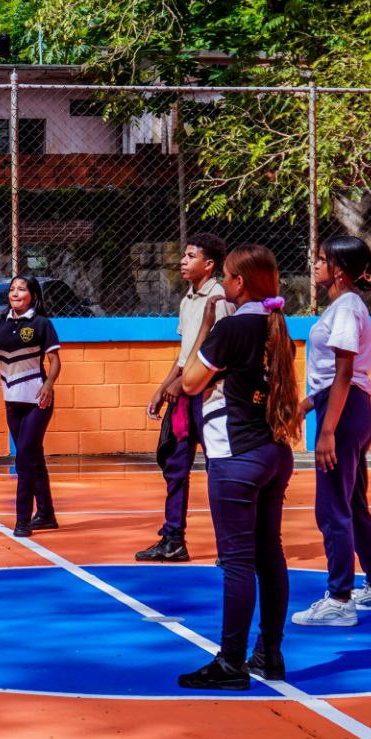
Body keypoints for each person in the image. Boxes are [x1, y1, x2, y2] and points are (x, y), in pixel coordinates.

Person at [176, 244, 300, 689]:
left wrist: (208, 326)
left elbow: (191, 383)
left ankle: (230, 663)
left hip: (236, 454)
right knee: (270, 554)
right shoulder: (275, 326)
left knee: (238, 561)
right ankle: (269, 652)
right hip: (273, 451)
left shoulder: (233, 328)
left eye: (227, 276)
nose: (223, 284)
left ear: (240, 283)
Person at [292, 236, 371, 627]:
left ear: (338, 269)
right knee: (352, 505)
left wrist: (327, 431)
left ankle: (339, 599)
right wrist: (305, 407)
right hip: (345, 408)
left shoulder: (346, 309)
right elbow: (331, 378)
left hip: (345, 411)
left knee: (332, 509)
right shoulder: (343, 307)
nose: (315, 264)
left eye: (321, 259)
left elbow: (343, 373)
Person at [138, 233, 231, 562]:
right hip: (186, 393)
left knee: (219, 468)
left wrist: (190, 384)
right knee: (175, 466)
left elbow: (218, 352)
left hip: (209, 396)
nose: (182, 260)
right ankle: (173, 538)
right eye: (184, 255)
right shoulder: (188, 299)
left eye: (190, 256)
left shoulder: (219, 298)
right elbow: (185, 355)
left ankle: (229, 545)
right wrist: (164, 388)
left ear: (208, 264)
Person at [0, 276, 61, 538]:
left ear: (32, 295)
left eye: (21, 289)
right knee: (32, 457)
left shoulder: (41, 324)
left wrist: (49, 385)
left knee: (24, 459)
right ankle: (46, 514)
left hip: (37, 401)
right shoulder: (0, 323)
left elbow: (54, 361)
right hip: (12, 401)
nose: (15, 293)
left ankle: (23, 521)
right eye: (12, 289)